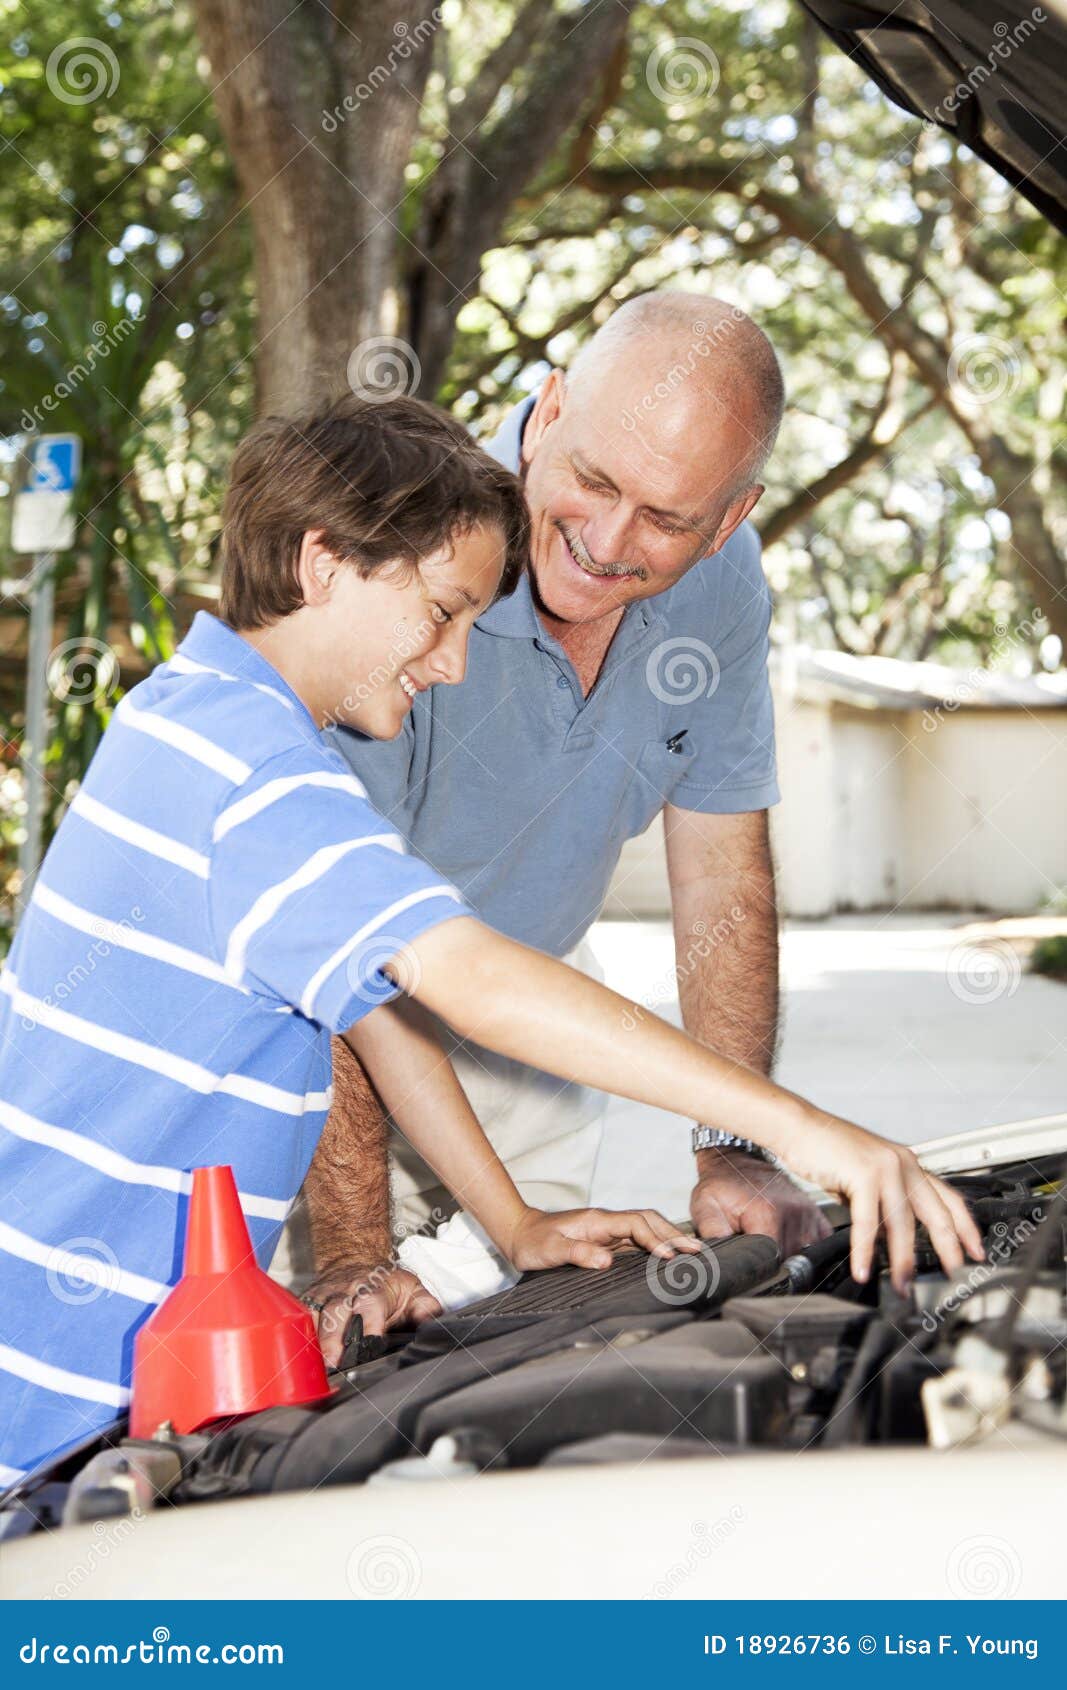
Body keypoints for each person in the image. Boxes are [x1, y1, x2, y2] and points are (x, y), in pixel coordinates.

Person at [0, 394, 981, 1486]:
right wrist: (810, 1133)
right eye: (441, 613)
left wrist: (509, 1221)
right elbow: (466, 979)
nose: (455, 663)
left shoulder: (206, 718)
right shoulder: (254, 778)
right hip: (55, 1384)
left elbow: (378, 1005)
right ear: (324, 562)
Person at [307, 292, 822, 1328]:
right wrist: (350, 1255)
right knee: (320, 1378)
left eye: (669, 519)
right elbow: (328, 936)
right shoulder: (407, 545)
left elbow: (721, 868)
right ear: (545, 415)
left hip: (529, 1027)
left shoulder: (720, 589)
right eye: (593, 481)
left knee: (500, 1367)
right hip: (315, 1044)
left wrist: (732, 1144)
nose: (608, 540)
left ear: (727, 519)